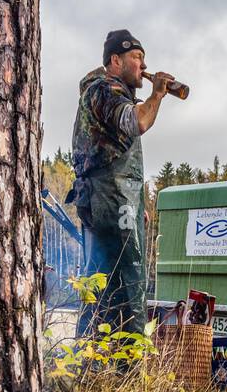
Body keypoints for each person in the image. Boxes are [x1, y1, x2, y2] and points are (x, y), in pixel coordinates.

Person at [70, 30, 175, 336]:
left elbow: (120, 155)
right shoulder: (105, 89)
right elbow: (137, 122)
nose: (143, 65)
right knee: (127, 284)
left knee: (102, 282)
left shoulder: (110, 92)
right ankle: (123, 368)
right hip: (109, 201)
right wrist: (157, 94)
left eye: (143, 57)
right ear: (115, 60)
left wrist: (136, 202)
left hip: (113, 202)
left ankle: (92, 364)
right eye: (136, 57)